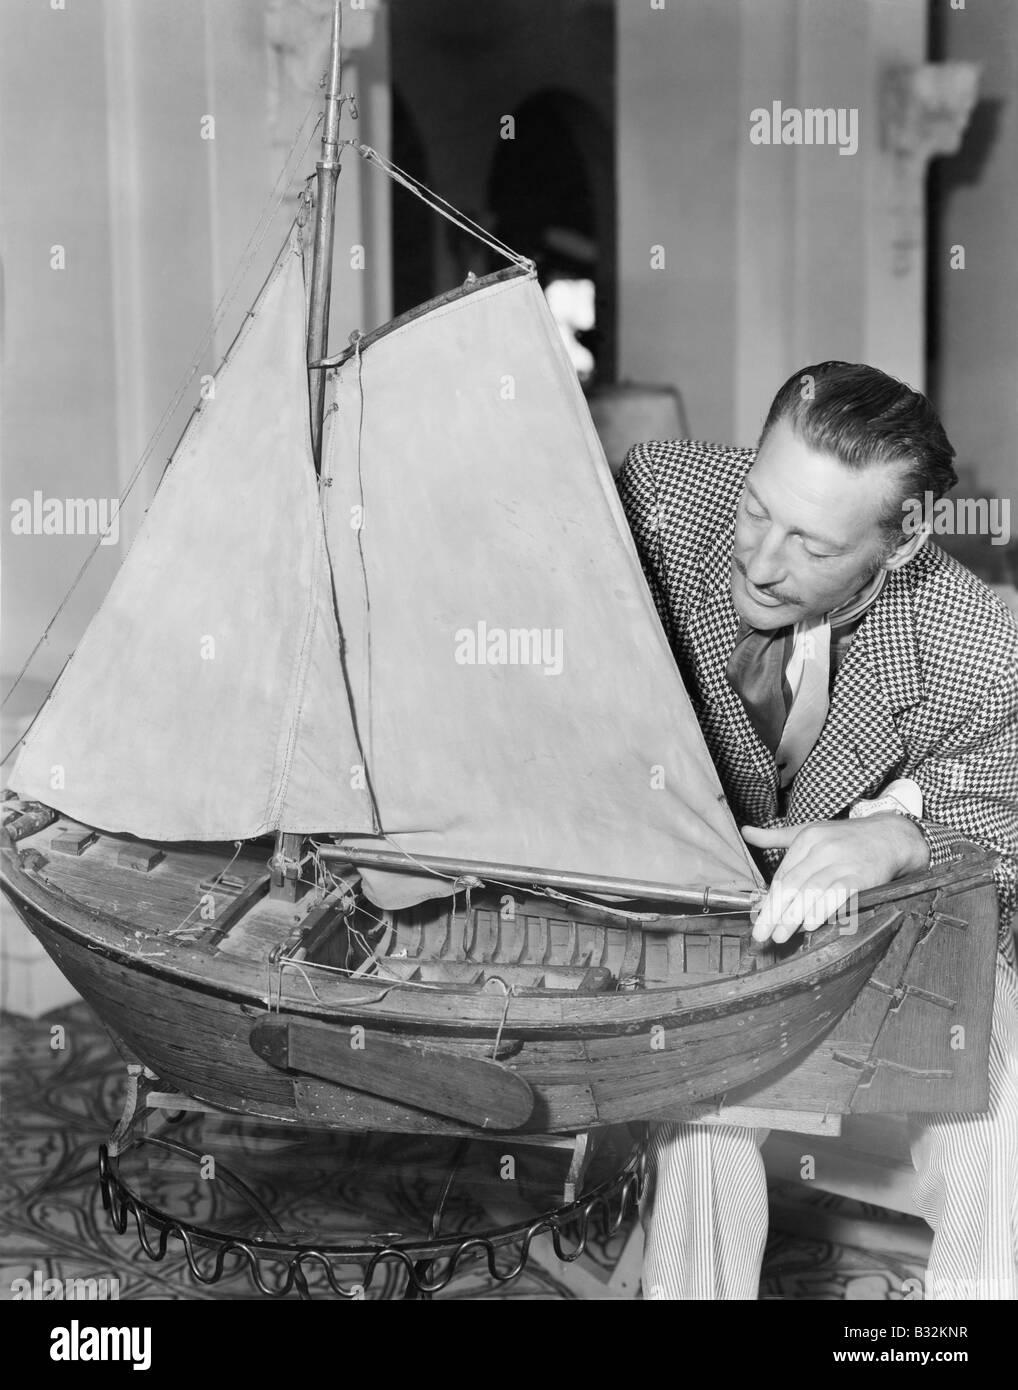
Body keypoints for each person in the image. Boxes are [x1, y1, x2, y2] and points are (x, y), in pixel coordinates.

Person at [616, 361, 1018, 1301]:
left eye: (812, 544)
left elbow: (1012, 820)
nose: (760, 563)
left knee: (1000, 1114)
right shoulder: (659, 501)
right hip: (691, 904)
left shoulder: (977, 644)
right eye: (759, 509)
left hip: (894, 929)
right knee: (700, 1110)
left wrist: (902, 837)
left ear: (904, 540)